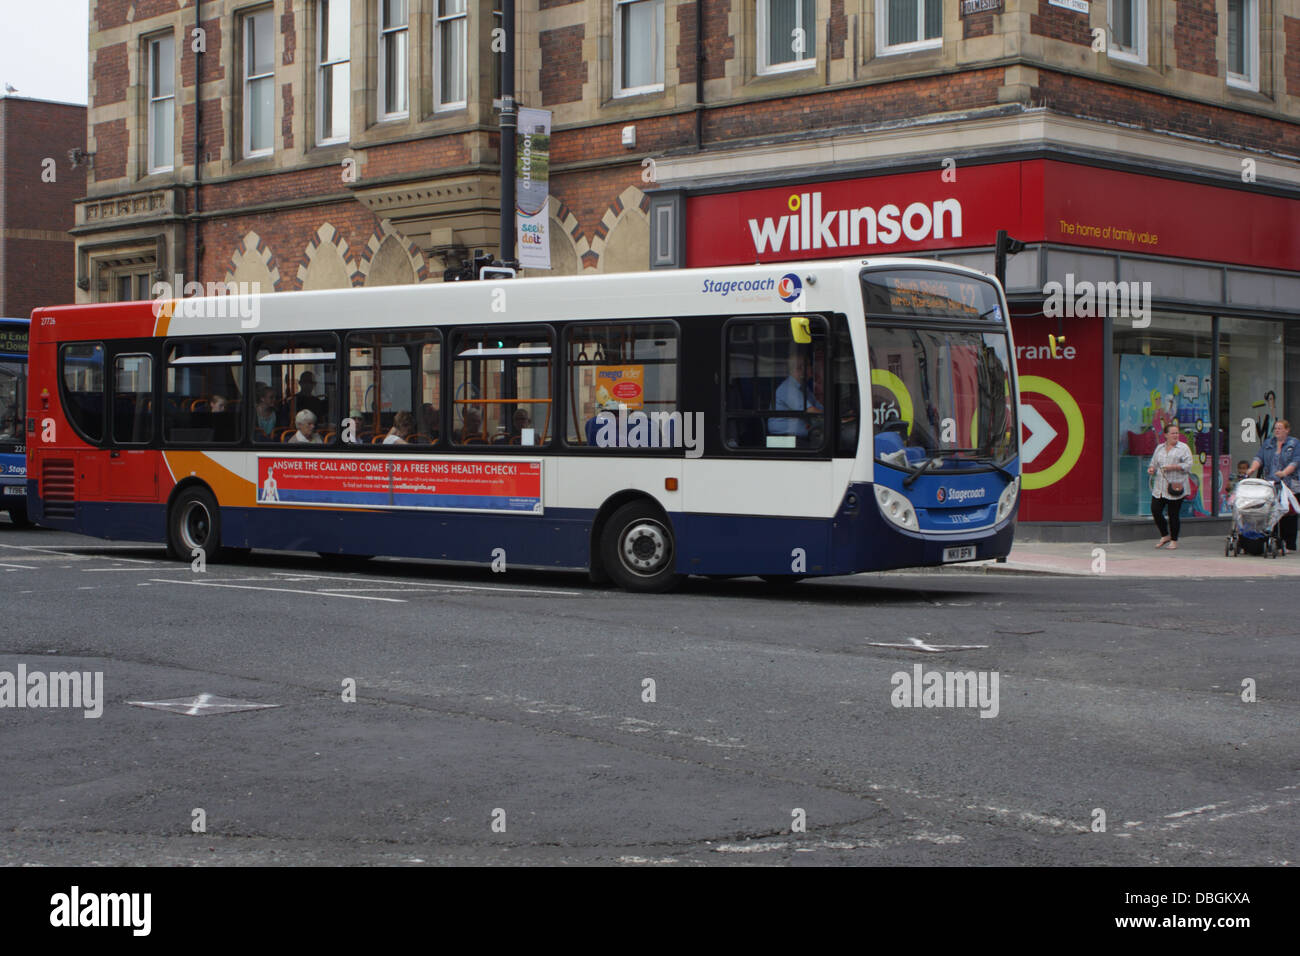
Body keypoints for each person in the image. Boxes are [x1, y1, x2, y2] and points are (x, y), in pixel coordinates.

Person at [1245, 419, 1300, 551]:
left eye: (1280, 428)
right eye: (1275, 428)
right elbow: (1259, 458)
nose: (1277, 430)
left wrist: (1284, 472)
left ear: (1287, 430)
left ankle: (1289, 543)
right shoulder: (1268, 443)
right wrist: (1252, 469)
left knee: (1288, 513)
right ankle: (1275, 540)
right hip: (1271, 483)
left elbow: (1296, 461)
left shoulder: (1294, 443)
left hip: (1289, 484)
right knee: (1272, 512)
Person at [1147, 422, 1193, 550]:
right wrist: (1151, 469)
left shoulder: (1183, 448)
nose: (1176, 435)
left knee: (1173, 514)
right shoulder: (1159, 448)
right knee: (1155, 510)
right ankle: (1165, 535)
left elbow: (1188, 465)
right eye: (1173, 433)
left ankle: (1174, 540)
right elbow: (1153, 463)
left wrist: (1174, 467)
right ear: (1166, 435)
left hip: (1176, 486)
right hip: (1160, 486)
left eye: (1177, 433)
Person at [769, 351, 823, 440]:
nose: (812, 368)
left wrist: (838, 415)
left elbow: (817, 407)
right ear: (800, 368)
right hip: (786, 439)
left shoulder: (803, 388)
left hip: (798, 437)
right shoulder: (788, 388)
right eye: (809, 365)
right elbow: (811, 410)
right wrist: (834, 418)